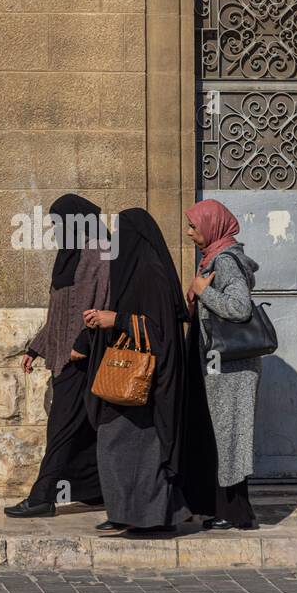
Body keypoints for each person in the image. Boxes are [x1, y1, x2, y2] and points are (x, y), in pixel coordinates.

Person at [82, 208, 217, 534]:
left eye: (121, 234)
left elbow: (161, 331)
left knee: (135, 448)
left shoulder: (152, 274)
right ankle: (130, 512)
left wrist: (116, 319)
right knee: (117, 444)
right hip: (134, 376)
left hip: (151, 381)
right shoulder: (133, 272)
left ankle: (152, 519)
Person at [5, 195, 110, 518]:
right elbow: (59, 311)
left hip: (83, 357)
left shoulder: (99, 251)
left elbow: (102, 301)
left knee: (61, 427)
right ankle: (95, 490)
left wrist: (84, 343)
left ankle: (42, 497)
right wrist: (37, 347)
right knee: (81, 427)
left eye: (60, 222)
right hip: (65, 356)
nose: (56, 229)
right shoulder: (69, 255)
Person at [185, 199, 261, 530]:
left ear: (211, 226)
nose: (189, 232)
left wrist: (204, 292)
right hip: (219, 366)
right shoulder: (213, 257)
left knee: (228, 438)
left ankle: (238, 514)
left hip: (230, 367)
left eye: (194, 226)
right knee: (221, 438)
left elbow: (240, 308)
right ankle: (222, 509)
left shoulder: (226, 261)